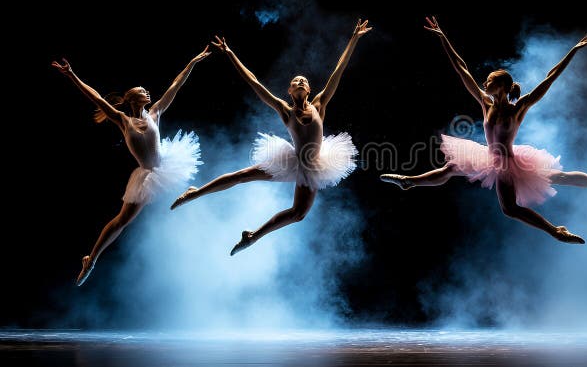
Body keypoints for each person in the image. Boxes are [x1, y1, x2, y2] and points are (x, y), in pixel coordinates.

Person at [381, 17, 587, 244]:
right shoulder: (485, 102)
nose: (484, 83)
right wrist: (443, 37)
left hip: (509, 162)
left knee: (540, 190)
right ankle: (409, 182)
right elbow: (462, 69)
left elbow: (551, 77)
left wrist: (573, 50)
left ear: (501, 85)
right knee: (451, 169)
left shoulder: (519, 107)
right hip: (488, 157)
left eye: (489, 81)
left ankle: (578, 212)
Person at [171, 20, 370, 255]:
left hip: (315, 164)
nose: (301, 82)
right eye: (296, 81)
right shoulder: (285, 110)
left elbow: (339, 70)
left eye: (304, 81)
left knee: (299, 214)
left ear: (308, 90)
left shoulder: (319, 104)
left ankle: (253, 236)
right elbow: (254, 81)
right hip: (292, 161)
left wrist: (354, 38)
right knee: (243, 175)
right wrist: (230, 53)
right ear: (289, 90)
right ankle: (195, 192)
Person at [52, 47, 208, 286]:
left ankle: (201, 257)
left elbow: (176, 85)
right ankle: (91, 260)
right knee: (122, 221)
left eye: (146, 90)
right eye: (141, 90)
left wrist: (193, 62)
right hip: (146, 177)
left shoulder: (155, 113)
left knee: (192, 202)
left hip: (167, 167)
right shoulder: (123, 120)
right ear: (132, 98)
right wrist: (71, 74)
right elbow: (96, 98)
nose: (147, 91)